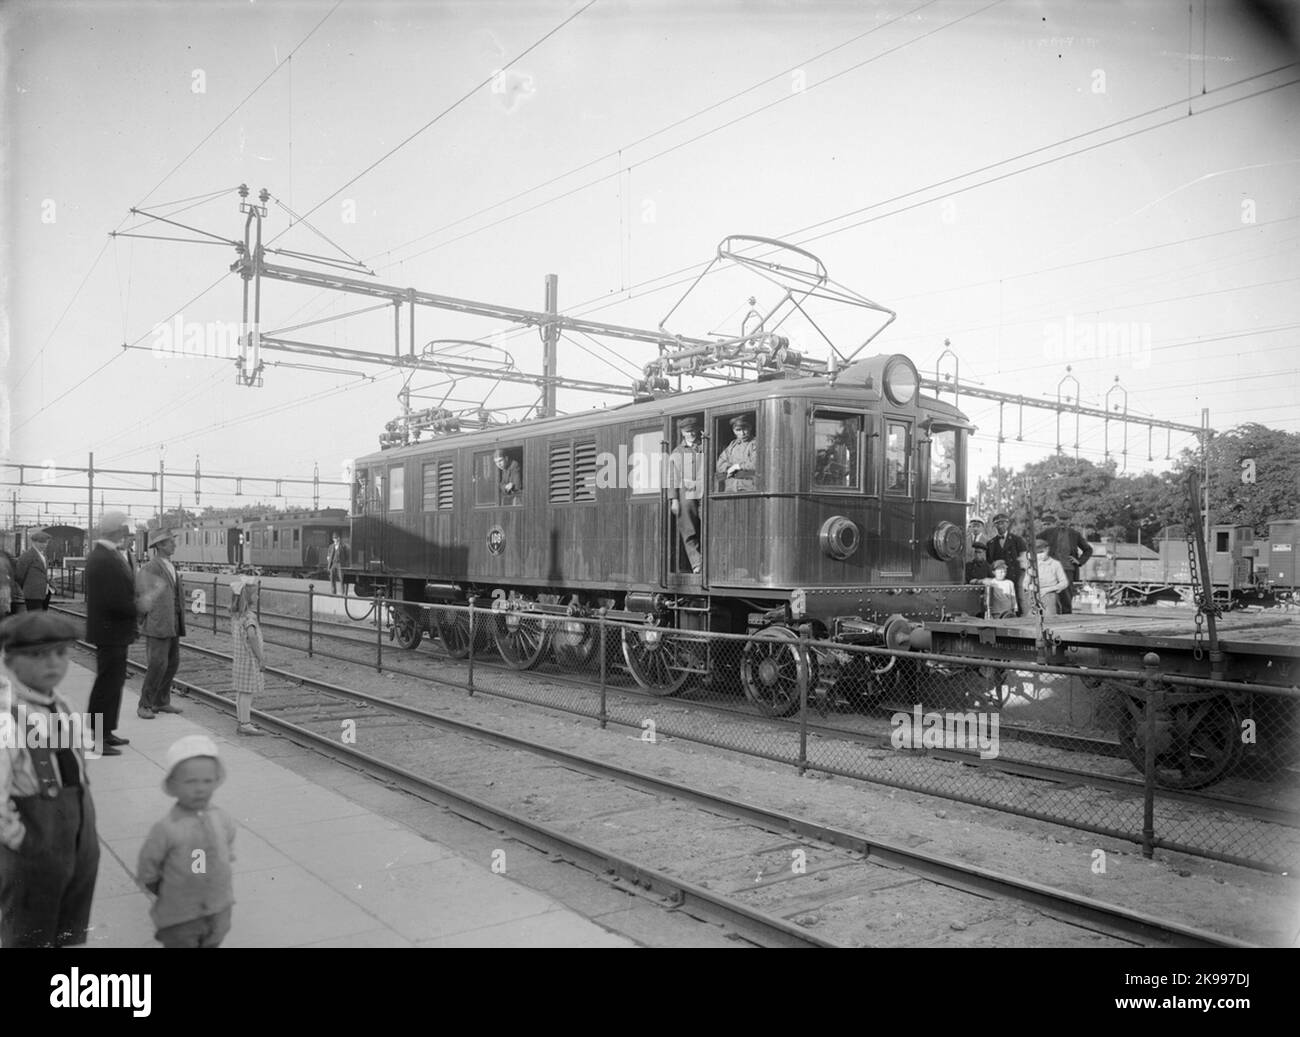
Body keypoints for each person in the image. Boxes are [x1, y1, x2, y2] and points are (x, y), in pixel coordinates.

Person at [0, 612, 100, 947]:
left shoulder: (63, 705)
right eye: (38, 655)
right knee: (30, 928)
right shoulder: (7, 717)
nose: (53, 664)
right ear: (9, 658)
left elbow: (78, 758)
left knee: (72, 918)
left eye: (61, 653)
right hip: (35, 838)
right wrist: (18, 841)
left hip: (77, 830)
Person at [136, 735, 237, 948]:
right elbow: (148, 869)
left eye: (207, 781)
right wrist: (164, 890)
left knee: (213, 941)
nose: (200, 788)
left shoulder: (223, 819)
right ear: (173, 786)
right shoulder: (167, 829)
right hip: (180, 918)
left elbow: (223, 853)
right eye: (191, 781)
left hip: (218, 909)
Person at [85, 511, 139, 756]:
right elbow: (113, 601)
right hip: (110, 631)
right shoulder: (104, 559)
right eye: (124, 530)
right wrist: (139, 606)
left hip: (114, 631)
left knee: (113, 682)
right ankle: (97, 738)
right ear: (117, 531)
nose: (126, 535)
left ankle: (106, 731)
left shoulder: (108, 555)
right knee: (107, 684)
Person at [136, 528, 186, 720]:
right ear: (159, 546)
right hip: (158, 624)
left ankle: (161, 701)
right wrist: (140, 622)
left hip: (172, 622)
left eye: (173, 541)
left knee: (172, 663)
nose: (174, 544)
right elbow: (142, 596)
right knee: (157, 664)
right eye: (170, 542)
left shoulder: (170, 565)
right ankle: (145, 704)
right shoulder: (151, 567)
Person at [666, 416, 705, 574]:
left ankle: (707, 561)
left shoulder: (705, 446)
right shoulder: (677, 451)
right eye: (688, 432)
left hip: (703, 490)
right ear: (682, 433)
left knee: (707, 525)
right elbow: (672, 477)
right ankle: (697, 563)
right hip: (686, 492)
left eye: (694, 431)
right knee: (688, 528)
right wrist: (674, 500)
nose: (692, 434)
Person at [230, 579, 266, 736]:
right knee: (247, 693)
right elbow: (251, 636)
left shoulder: (237, 615)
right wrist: (261, 658)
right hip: (249, 660)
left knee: (240, 692)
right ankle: (245, 724)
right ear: (249, 597)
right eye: (256, 594)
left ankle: (241, 720)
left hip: (240, 659)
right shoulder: (250, 617)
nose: (258, 597)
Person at [1039, 512, 1094, 614]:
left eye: (1065, 519)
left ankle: (1066, 619)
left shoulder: (1075, 534)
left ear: (1069, 521)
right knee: (1051, 596)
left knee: (1066, 598)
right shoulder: (1049, 532)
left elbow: (1088, 550)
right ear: (1057, 519)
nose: (1063, 522)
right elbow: (1033, 542)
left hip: (1067, 569)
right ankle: (1052, 619)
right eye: (1061, 518)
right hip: (1051, 570)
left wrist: (1079, 561)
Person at [985, 512, 1029, 617]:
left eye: (1003, 523)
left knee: (1019, 598)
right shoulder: (990, 543)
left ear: (1007, 524)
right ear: (994, 526)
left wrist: (1024, 575)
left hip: (1016, 575)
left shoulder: (1017, 540)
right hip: (1000, 577)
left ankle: (1022, 617)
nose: (1000, 526)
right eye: (997, 523)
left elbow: (1024, 558)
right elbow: (990, 561)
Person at [1025, 538, 1069, 618]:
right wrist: (1032, 587)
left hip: (1050, 596)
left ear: (1047, 550)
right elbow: (1025, 583)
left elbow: (1064, 583)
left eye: (1042, 552)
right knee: (1030, 621)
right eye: (1037, 553)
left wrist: (1047, 589)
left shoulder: (1055, 564)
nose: (1040, 555)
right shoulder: (1032, 565)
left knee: (1050, 619)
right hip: (1034, 597)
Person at [715, 414, 757, 492]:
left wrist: (737, 466)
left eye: (745, 429)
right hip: (730, 488)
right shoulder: (732, 445)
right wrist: (729, 468)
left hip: (748, 488)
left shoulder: (755, 443)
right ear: (734, 431)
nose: (742, 433)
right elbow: (720, 465)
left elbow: (756, 464)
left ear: (750, 428)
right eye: (738, 430)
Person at [14, 529, 52, 611]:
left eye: (46, 542)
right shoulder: (27, 555)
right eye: (41, 542)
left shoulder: (43, 556)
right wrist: (27, 588)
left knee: (42, 618)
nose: (44, 545)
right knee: (35, 619)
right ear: (34, 542)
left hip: (44, 593)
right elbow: (19, 575)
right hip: (32, 593)